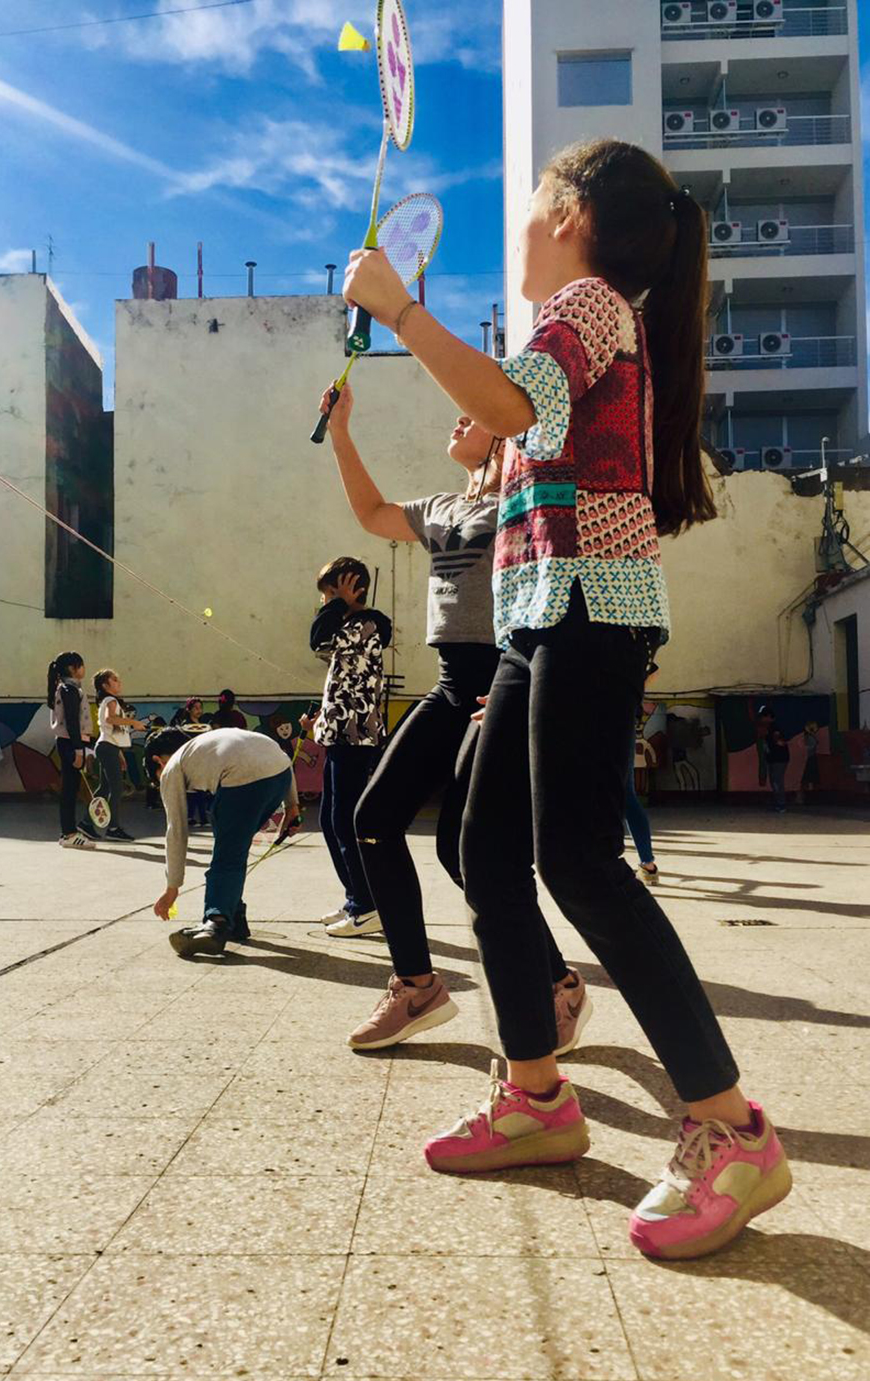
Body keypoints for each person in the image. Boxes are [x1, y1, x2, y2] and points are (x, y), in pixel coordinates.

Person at [343, 136, 790, 1260]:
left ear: (571, 215)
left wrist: (400, 311)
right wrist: (484, 436)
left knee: (578, 861)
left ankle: (733, 1131)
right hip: (539, 615)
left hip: (593, 604)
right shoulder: (579, 319)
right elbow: (515, 421)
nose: (522, 222)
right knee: (482, 849)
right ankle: (536, 1096)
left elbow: (508, 396)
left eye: (534, 200)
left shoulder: (590, 304)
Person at [319, 382, 589, 1053]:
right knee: (372, 820)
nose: (459, 415)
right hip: (449, 686)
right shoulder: (442, 506)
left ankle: (560, 986)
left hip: (501, 680)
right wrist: (342, 432)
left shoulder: (521, 500)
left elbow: (561, 587)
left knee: (463, 850)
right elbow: (373, 512)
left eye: (476, 412)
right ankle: (418, 985)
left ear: (506, 430)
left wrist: (526, 681)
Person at [146, 725, 300, 958]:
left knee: (227, 854)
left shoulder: (172, 767)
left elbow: (176, 830)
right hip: (280, 775)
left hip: (244, 779)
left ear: (158, 761)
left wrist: (172, 888)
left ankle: (215, 924)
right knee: (232, 843)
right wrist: (292, 805)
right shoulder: (206, 743)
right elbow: (279, 756)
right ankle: (235, 918)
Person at [308, 557, 391, 938]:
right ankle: (356, 896)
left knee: (345, 821)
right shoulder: (350, 626)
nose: (324, 602)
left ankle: (368, 906)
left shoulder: (366, 624)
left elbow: (317, 639)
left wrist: (339, 602)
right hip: (340, 732)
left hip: (356, 735)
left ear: (352, 588)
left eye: (329, 593)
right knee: (330, 820)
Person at [92, 669, 147, 842]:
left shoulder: (108, 700)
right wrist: (134, 723)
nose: (119, 682)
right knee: (116, 788)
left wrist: (119, 753)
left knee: (104, 788)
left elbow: (113, 731)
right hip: (107, 748)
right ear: (105, 685)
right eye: (114, 680)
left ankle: (86, 823)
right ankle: (113, 828)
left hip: (109, 747)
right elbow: (111, 719)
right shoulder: (111, 701)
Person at [48, 651, 95, 850]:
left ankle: (68, 832)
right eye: (81, 665)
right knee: (69, 788)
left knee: (71, 788)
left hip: (70, 742)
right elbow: (72, 721)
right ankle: (69, 833)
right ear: (72, 668)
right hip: (70, 743)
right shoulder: (69, 689)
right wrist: (78, 749)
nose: (84, 669)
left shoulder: (68, 688)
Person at [626, 659, 660, 884]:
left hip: (597, 725)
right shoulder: (626, 650)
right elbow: (653, 670)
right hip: (622, 723)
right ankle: (648, 865)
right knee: (626, 796)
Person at [170, 697, 209, 825]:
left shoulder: (204, 724)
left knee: (200, 790)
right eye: (195, 708)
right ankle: (192, 817)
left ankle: (200, 818)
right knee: (192, 790)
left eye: (200, 708)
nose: (199, 710)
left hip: (202, 759)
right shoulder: (186, 726)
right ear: (189, 710)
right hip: (190, 760)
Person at [759, 706, 790, 814]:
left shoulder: (774, 728)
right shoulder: (770, 728)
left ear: (768, 717)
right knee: (774, 781)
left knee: (777, 781)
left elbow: (779, 741)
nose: (762, 719)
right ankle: (778, 803)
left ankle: (781, 804)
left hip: (779, 759)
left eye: (763, 717)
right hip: (773, 758)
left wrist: (777, 742)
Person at [801, 720, 820, 802]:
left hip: (810, 758)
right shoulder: (811, 737)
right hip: (810, 758)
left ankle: (809, 796)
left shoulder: (810, 737)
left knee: (809, 777)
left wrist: (803, 748)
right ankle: (810, 795)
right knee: (809, 777)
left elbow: (810, 748)